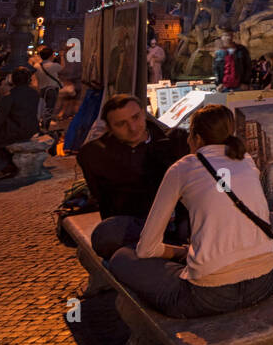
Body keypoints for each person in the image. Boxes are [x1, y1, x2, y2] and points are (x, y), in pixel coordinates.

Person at [106, 104, 273, 319]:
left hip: (208, 295)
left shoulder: (183, 167)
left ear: (197, 139)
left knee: (121, 257)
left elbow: (146, 249)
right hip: (268, 281)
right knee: (270, 220)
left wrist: (181, 252)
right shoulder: (246, 160)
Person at [79, 94, 191, 258]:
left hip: (177, 219)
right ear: (109, 128)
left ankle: (168, 251)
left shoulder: (176, 140)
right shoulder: (95, 154)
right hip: (136, 223)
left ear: (143, 113)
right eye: (121, 124)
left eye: (136, 117)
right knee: (106, 235)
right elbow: (106, 201)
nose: (132, 127)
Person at [33, 46, 63, 131]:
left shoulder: (36, 66)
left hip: (41, 89)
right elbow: (62, 67)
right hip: (52, 90)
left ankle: (40, 126)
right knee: (49, 109)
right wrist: (62, 56)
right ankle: (45, 127)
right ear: (50, 56)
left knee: (41, 108)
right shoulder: (54, 66)